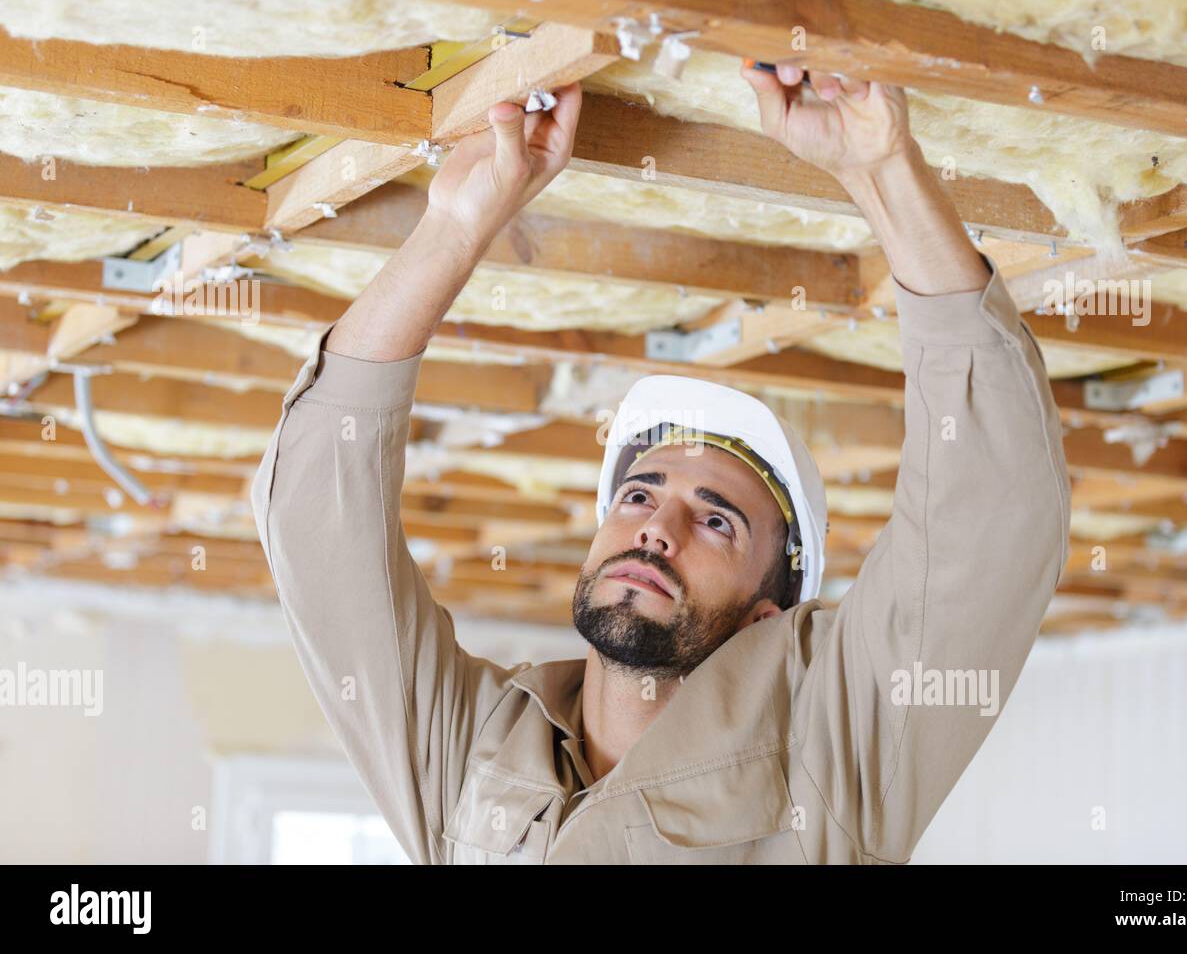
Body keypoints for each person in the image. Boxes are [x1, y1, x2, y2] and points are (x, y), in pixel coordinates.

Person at [252, 63, 1070, 864]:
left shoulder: (832, 759)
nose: (656, 529)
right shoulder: (482, 759)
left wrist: (884, 171)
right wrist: (452, 230)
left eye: (716, 519)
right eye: (640, 493)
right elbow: (320, 523)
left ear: (765, 615)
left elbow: (992, 511)